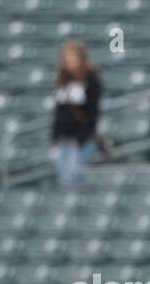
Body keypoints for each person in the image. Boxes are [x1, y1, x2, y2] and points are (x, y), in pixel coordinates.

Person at [51, 41, 102, 186]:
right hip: (64, 140)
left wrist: (80, 140)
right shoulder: (64, 81)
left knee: (74, 178)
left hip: (81, 141)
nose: (70, 64)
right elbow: (59, 112)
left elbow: (92, 115)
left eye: (73, 60)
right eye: (67, 60)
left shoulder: (91, 81)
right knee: (64, 179)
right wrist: (54, 137)